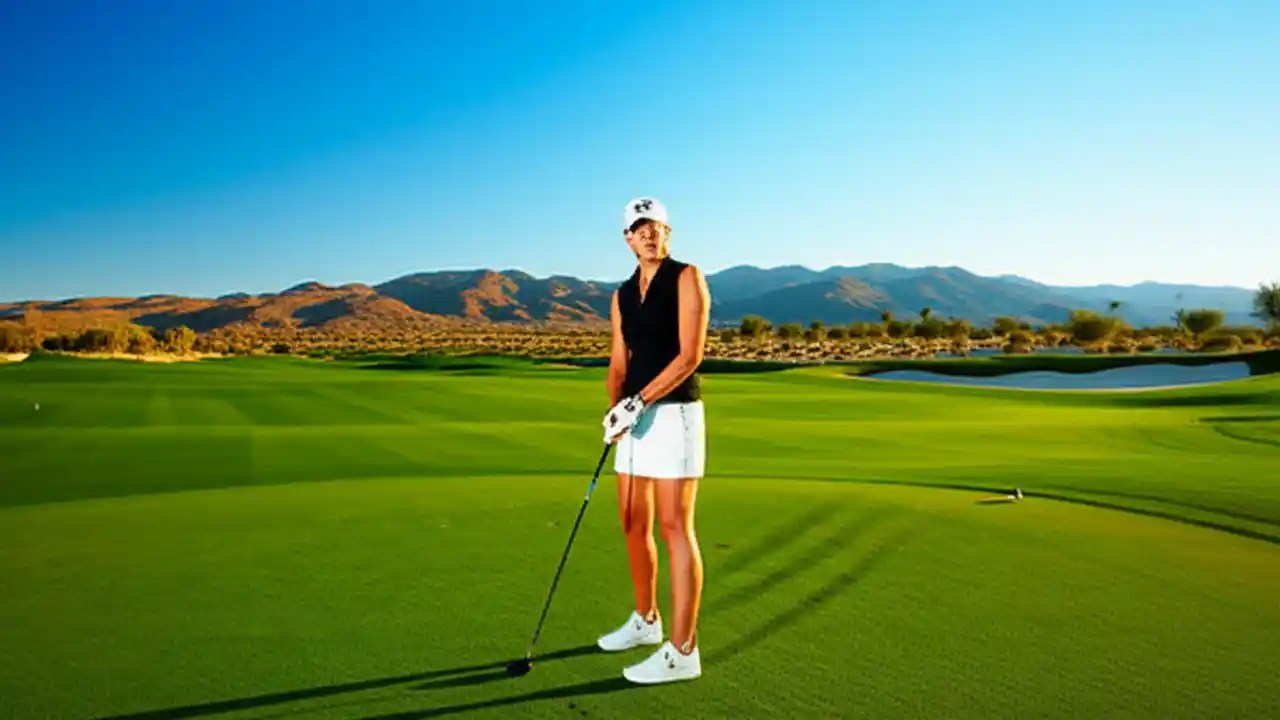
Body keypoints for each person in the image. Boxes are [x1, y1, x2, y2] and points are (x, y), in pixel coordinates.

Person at [598, 196, 710, 684]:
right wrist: (614, 412)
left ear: (668, 233)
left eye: (656, 227)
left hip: (675, 414)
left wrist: (638, 402)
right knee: (630, 520)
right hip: (633, 417)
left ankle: (683, 651)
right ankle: (646, 620)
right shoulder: (621, 294)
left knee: (673, 526)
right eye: (638, 228)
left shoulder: (687, 277)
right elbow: (618, 363)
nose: (648, 234)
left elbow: (690, 356)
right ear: (627, 238)